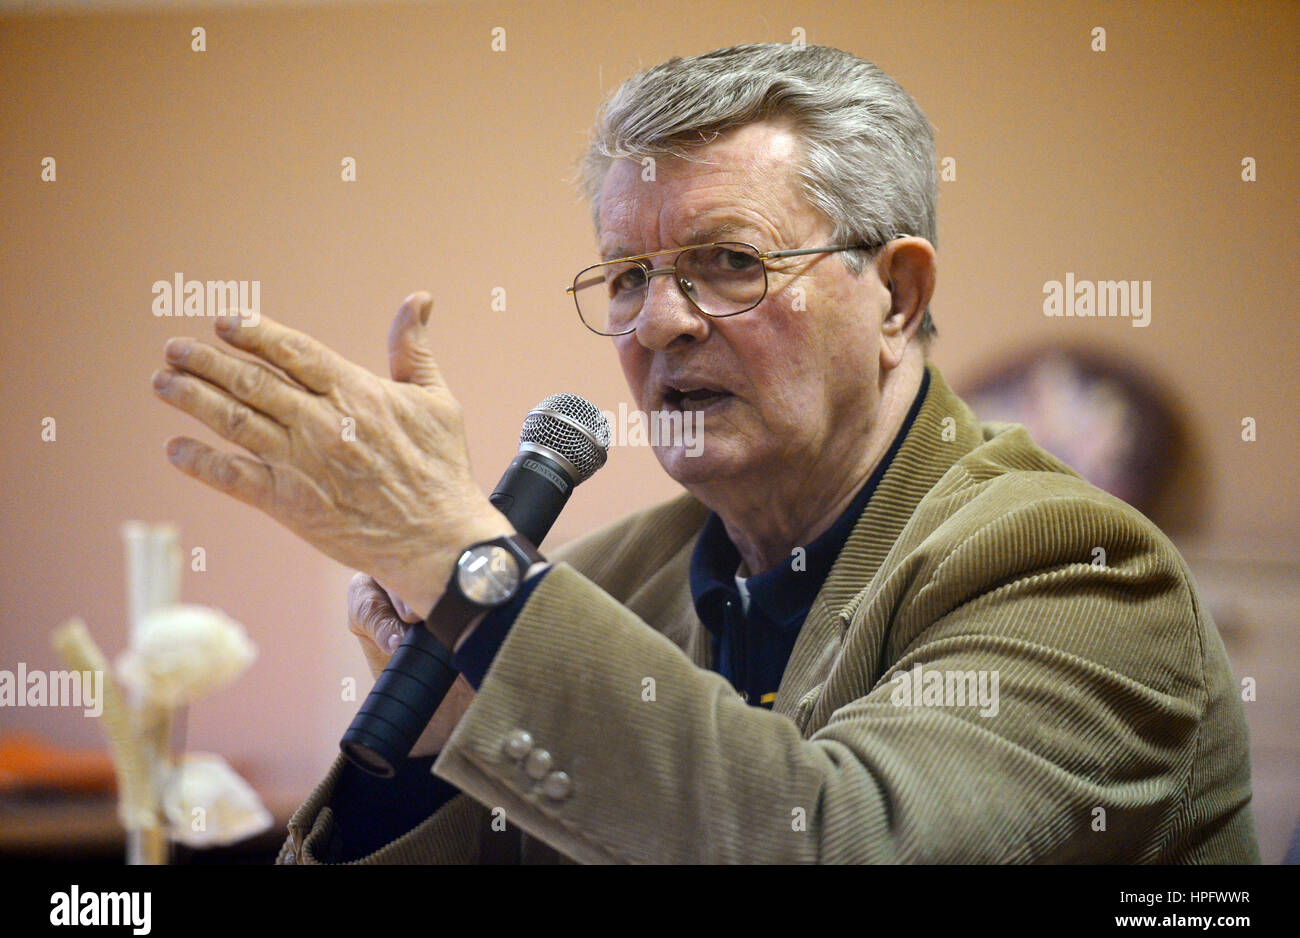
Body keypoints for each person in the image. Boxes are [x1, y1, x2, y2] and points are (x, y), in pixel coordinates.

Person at [152, 43, 1259, 863]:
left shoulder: (1076, 570)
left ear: (897, 295)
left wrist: (464, 563)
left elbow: (836, 845)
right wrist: (446, 741)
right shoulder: (599, 583)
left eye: (726, 260)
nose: (658, 322)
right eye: (626, 276)